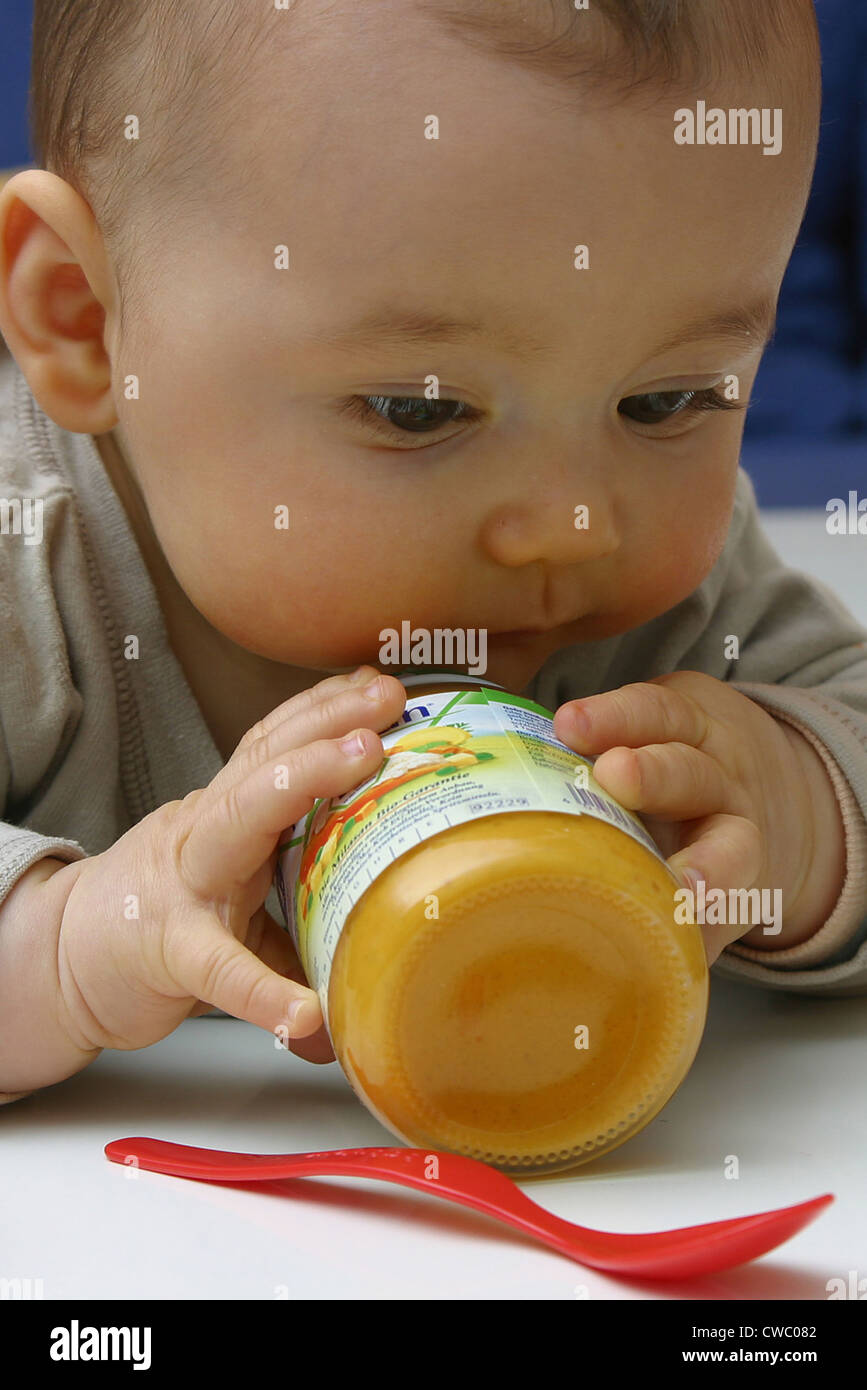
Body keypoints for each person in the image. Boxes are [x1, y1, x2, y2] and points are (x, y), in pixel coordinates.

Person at [0, 0, 864, 1107]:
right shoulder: (35, 578)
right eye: (421, 411)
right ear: (86, 320)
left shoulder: (660, 614)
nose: (574, 523)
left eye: (668, 397)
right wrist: (70, 946)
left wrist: (802, 814)